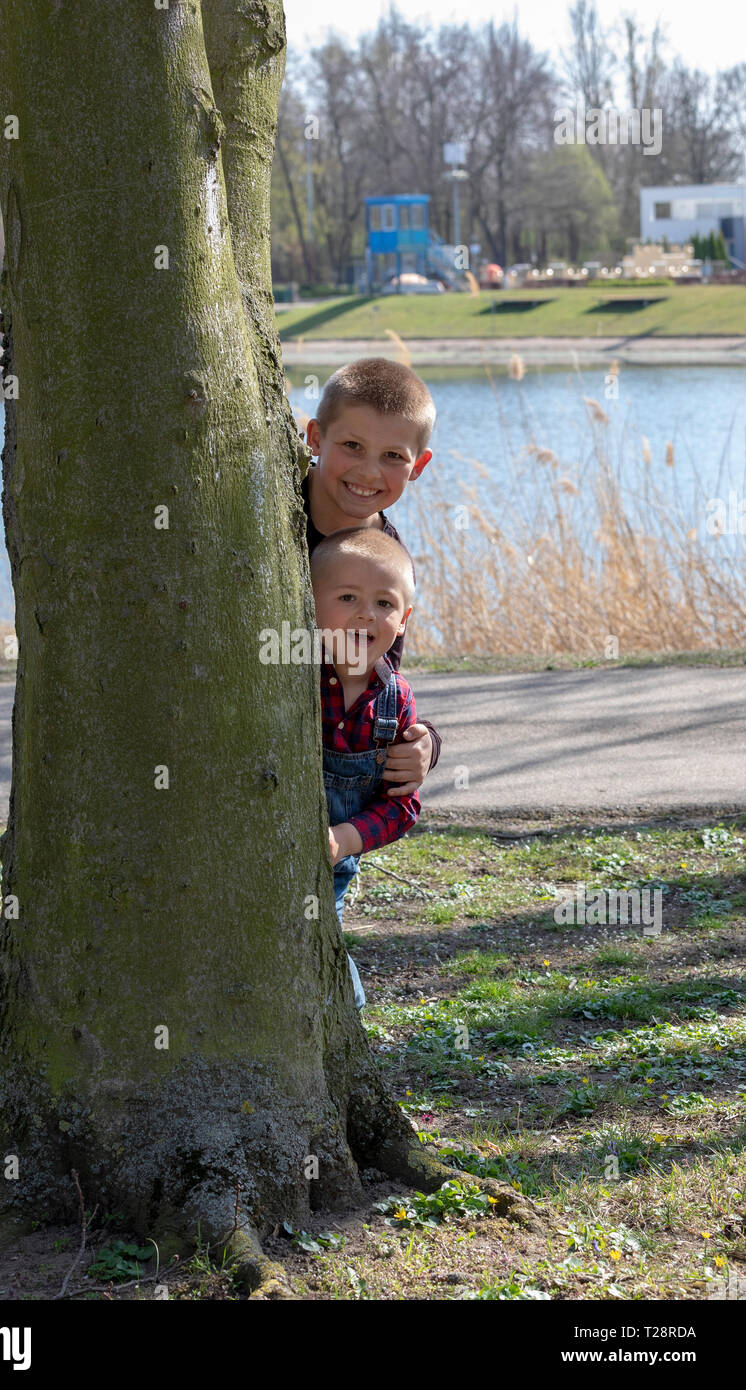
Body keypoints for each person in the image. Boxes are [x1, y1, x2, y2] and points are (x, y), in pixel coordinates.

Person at [300, 356, 440, 800]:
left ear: (418, 466)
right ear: (316, 438)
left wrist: (425, 744)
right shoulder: (272, 513)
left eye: (393, 456)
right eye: (353, 446)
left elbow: (382, 680)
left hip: (332, 786)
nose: (368, 472)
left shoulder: (389, 566)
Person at [310, 527, 421, 1009]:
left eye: (384, 603)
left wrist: (345, 839)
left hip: (332, 865)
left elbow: (403, 805)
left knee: (319, 939)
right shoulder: (293, 675)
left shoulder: (396, 701)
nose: (366, 613)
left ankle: (346, 1026)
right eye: (348, 597)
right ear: (310, 604)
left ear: (403, 620)